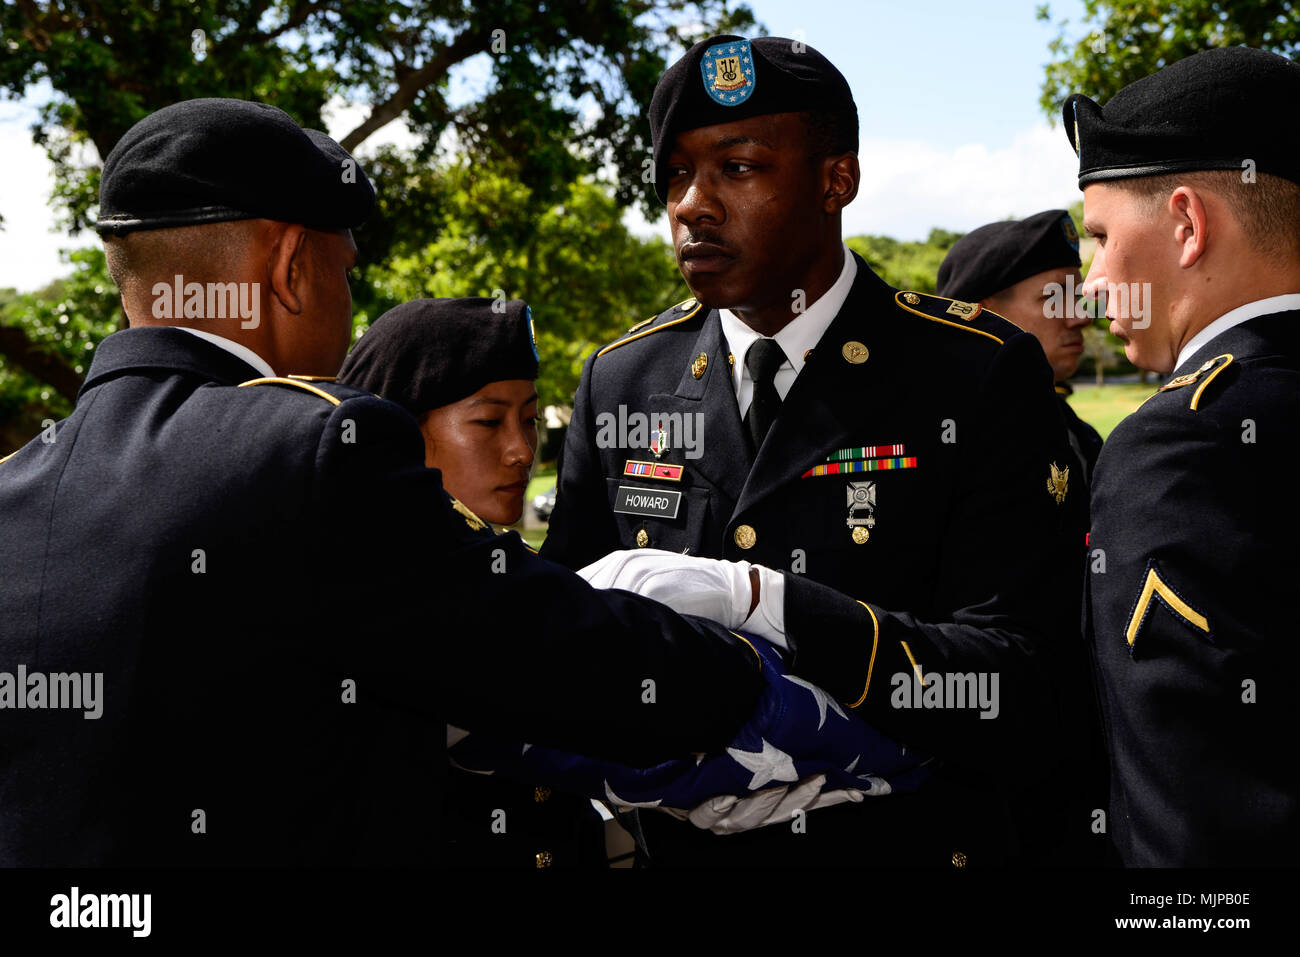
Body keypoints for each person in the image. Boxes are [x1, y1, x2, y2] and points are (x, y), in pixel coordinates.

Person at [0, 98, 855, 866]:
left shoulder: (13, 490)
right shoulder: (311, 447)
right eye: (344, 269)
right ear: (290, 266)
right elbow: (570, 654)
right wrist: (774, 683)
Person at [542, 35, 1094, 867]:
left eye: (737, 168)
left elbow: (1026, 683)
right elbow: (568, 642)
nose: (692, 203)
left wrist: (777, 606)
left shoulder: (972, 372)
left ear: (838, 179)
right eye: (676, 174)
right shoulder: (624, 380)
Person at [1066, 45, 1300, 866]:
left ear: (1187, 223)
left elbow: (1198, 824)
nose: (1090, 284)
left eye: (1099, 236)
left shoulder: (1182, 444)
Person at [337, 296, 606, 868]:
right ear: (398, 434)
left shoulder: (515, 572)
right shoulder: (368, 602)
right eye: (488, 421)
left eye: (529, 419)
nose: (521, 450)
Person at [937, 210, 1104, 487]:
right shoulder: (940, 440)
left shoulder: (1074, 432)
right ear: (982, 316)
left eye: (1075, 297)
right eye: (1054, 298)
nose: (1082, 318)